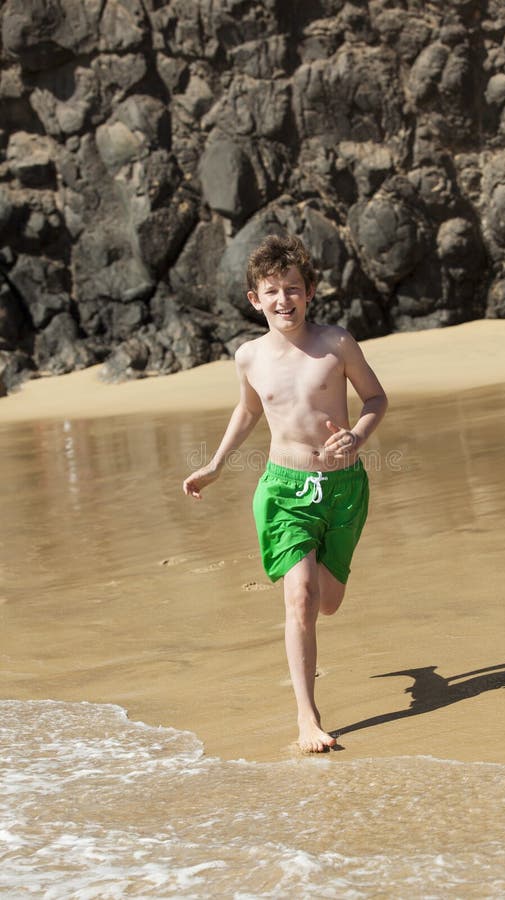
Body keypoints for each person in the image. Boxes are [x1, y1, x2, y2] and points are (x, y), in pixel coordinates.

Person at [183, 234, 388, 752]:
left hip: (343, 490)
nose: (283, 301)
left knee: (329, 603)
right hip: (283, 491)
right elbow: (249, 411)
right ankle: (307, 718)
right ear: (255, 299)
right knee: (300, 597)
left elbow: (375, 397)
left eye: (292, 289)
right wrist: (215, 464)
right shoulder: (249, 356)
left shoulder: (337, 344)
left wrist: (358, 436)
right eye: (271, 292)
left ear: (310, 291)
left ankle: (320, 601)